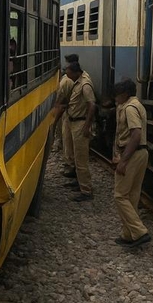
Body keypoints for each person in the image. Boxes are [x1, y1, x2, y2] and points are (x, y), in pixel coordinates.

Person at [111, 79, 150, 248]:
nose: (115, 99)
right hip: (142, 153)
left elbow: (136, 135)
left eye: (117, 95)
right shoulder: (138, 104)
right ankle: (128, 234)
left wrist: (123, 161)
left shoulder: (129, 109)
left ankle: (140, 232)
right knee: (132, 195)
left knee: (120, 195)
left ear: (124, 94)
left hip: (132, 154)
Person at [64, 61, 96, 201]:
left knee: (81, 158)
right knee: (76, 156)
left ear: (76, 72)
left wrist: (87, 125)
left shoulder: (85, 85)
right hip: (73, 121)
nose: (67, 75)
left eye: (68, 73)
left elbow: (92, 105)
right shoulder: (77, 81)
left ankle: (86, 190)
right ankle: (79, 182)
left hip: (80, 123)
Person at [52, 54, 79, 169]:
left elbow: (61, 101)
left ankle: (70, 162)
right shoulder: (73, 79)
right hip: (70, 111)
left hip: (68, 112)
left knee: (64, 134)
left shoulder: (66, 81)